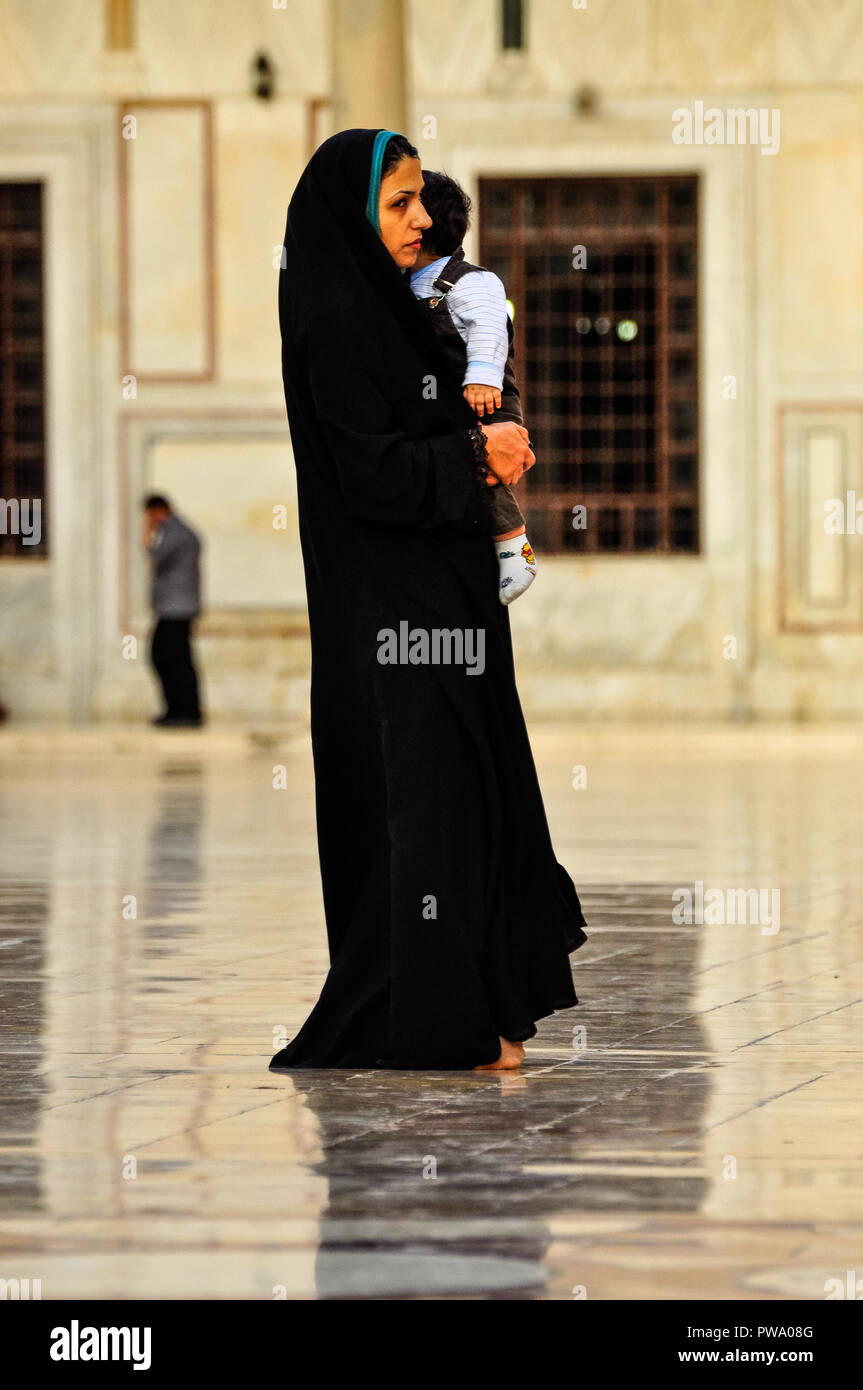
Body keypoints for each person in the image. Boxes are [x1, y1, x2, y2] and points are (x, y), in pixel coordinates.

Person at [270, 129, 587, 1073]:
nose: (421, 220)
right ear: (351, 213)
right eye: (399, 202)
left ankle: (486, 1009)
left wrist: (495, 439)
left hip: (450, 607)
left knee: (475, 793)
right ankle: (428, 1019)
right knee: (426, 806)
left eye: (422, 201)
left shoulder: (404, 309)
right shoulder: (334, 319)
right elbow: (369, 476)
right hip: (392, 623)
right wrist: (471, 456)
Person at [410, 170, 537, 605]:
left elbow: (489, 328)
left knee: (486, 475)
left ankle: (516, 550)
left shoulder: (472, 281)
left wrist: (481, 377)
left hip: (489, 399)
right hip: (458, 401)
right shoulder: (412, 283)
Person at [142, 494, 203, 728]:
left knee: (170, 658)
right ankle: (180, 711)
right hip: (175, 607)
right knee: (172, 658)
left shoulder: (176, 532)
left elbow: (155, 555)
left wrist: (148, 531)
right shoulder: (180, 530)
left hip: (176, 609)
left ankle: (184, 712)